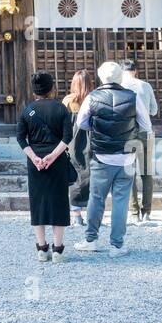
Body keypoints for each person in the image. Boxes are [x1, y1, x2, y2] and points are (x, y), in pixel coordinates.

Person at [73, 60, 151, 258]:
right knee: (121, 201)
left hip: (101, 156)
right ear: (120, 77)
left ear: (101, 77)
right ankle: (117, 246)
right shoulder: (133, 97)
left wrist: (98, 128)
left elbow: (81, 123)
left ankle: (91, 239)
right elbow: (146, 125)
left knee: (96, 198)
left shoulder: (93, 97)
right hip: (126, 156)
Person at [16, 71, 74, 262]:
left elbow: (20, 138)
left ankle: (42, 249)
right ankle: (57, 250)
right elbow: (67, 137)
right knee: (59, 202)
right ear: (52, 88)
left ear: (34, 91)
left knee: (38, 202)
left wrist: (35, 157)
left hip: (36, 163)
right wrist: (53, 156)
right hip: (56, 161)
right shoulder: (61, 109)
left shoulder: (27, 110)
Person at [119, 58, 159, 223]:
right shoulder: (145, 86)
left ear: (122, 72)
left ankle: (134, 212)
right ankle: (147, 211)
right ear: (135, 71)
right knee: (146, 172)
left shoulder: (120, 87)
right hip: (145, 132)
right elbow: (154, 110)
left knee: (130, 172)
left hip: (126, 134)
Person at [62, 69, 95, 226]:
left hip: (74, 141)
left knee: (76, 175)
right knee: (92, 175)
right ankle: (92, 215)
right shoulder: (94, 98)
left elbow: (63, 123)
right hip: (92, 139)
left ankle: (77, 216)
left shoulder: (68, 101)